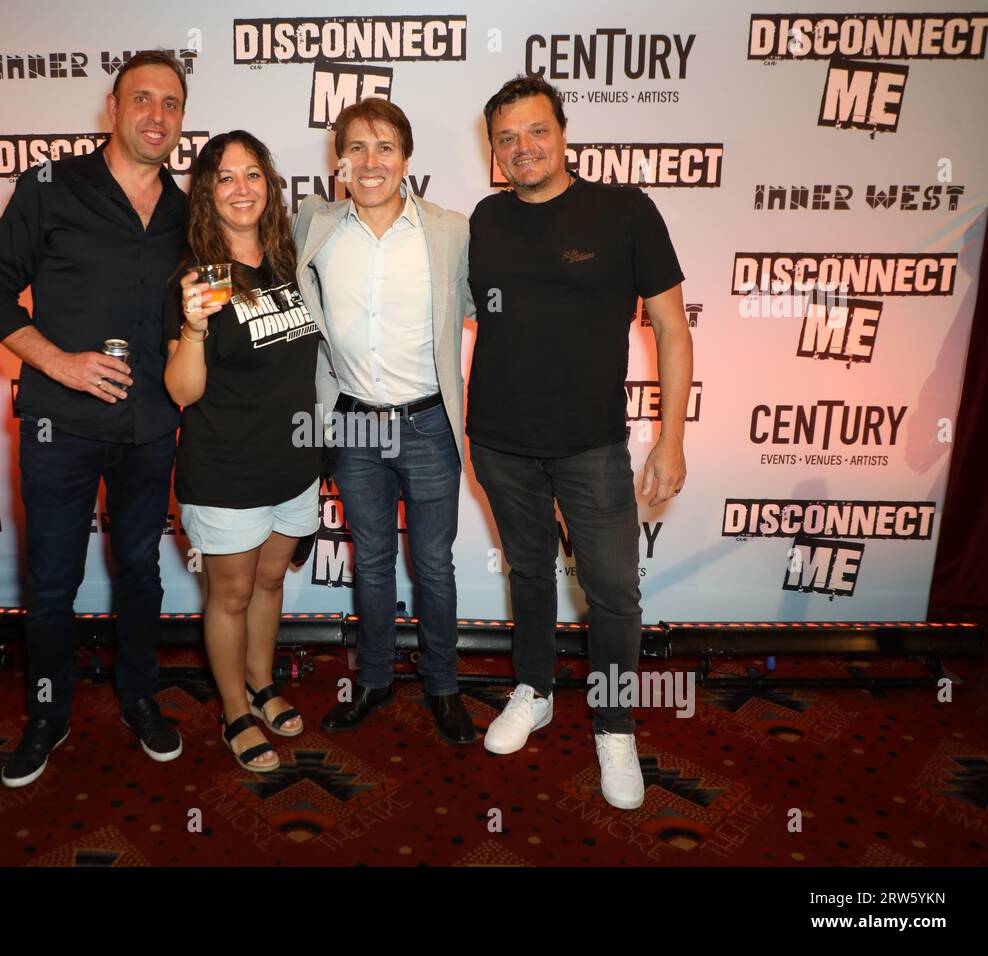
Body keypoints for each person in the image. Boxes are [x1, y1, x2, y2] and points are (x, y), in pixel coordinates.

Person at [467, 75, 692, 809]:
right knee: (529, 573)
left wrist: (670, 439)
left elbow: (670, 327)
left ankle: (615, 722)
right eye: (506, 138)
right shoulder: (485, 220)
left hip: (592, 443)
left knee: (614, 593)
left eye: (536, 131)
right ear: (493, 151)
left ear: (563, 134)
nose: (522, 148)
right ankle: (533, 689)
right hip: (498, 438)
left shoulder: (624, 211)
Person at [0, 51, 190, 788]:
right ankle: (46, 713)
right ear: (113, 108)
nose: (157, 116)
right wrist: (58, 361)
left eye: (171, 104)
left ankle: (140, 698)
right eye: (143, 100)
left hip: (152, 426)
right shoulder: (50, 186)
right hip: (56, 424)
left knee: (139, 572)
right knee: (53, 580)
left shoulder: (189, 211)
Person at [293, 98, 477, 744]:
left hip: (429, 423)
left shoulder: (450, 231)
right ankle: (372, 681)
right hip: (353, 426)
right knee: (370, 560)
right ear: (337, 159)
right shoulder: (310, 227)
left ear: (407, 159)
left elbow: (501, 308)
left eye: (386, 148)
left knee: (433, 565)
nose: (372, 163)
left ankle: (444, 687)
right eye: (357, 149)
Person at [166, 131, 321, 772]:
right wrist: (195, 330)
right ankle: (234, 711)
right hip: (226, 469)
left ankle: (261, 684)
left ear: (269, 185)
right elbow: (182, 390)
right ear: (207, 192)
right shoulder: (195, 274)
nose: (240, 188)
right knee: (229, 596)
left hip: (295, 464)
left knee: (268, 581)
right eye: (225, 177)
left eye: (252, 174)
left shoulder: (290, 260)